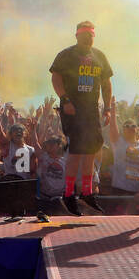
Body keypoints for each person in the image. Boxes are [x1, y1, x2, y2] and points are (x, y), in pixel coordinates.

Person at [49, 20, 115, 215]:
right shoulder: (66, 55)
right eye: (84, 35)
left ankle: (87, 193)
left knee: (91, 151)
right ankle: (68, 194)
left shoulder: (99, 56)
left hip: (91, 111)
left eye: (91, 36)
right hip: (73, 111)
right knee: (77, 152)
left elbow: (107, 83)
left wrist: (108, 108)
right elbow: (56, 78)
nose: (88, 39)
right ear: (77, 35)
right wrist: (65, 99)